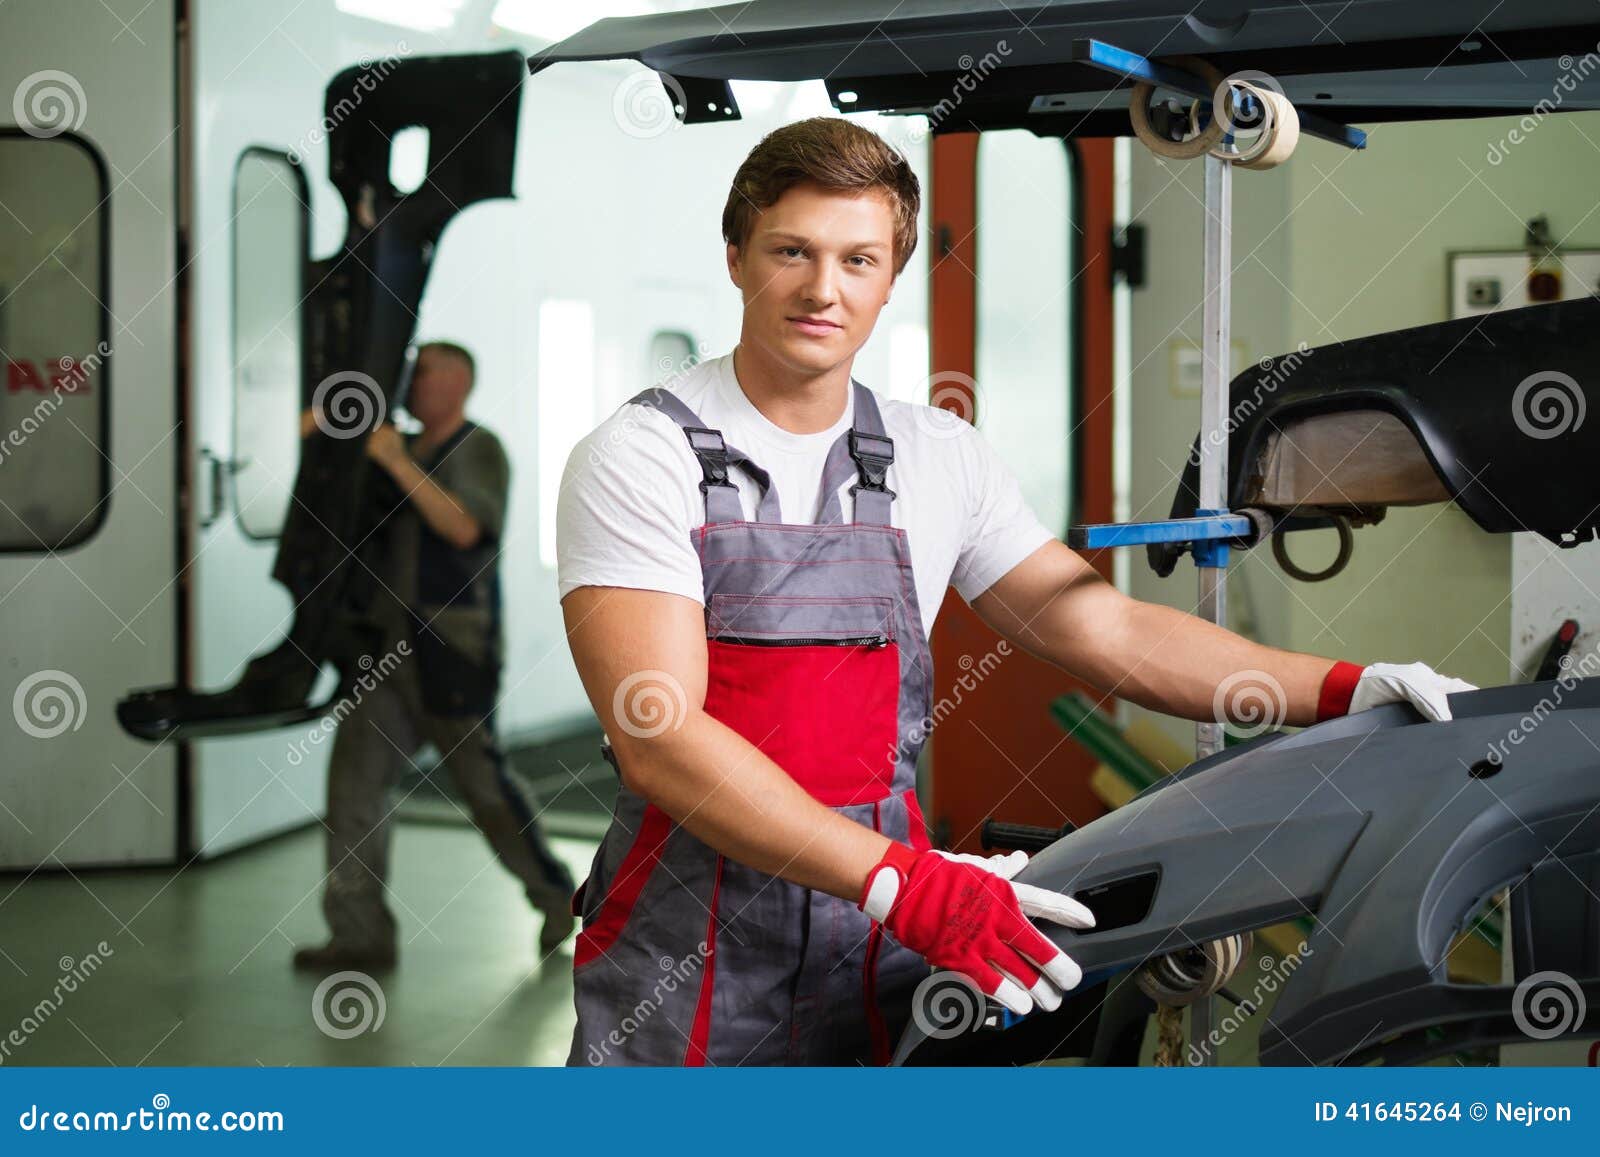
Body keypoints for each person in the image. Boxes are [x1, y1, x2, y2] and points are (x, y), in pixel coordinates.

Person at [554, 117, 1475, 1065]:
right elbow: (660, 738)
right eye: (793, 251)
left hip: (878, 942)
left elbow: (1102, 626)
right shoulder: (641, 456)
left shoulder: (935, 454)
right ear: (738, 255)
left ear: (892, 275)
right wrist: (904, 885)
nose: (824, 289)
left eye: (858, 260)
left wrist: (1345, 689)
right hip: (690, 955)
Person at [294, 341, 575, 972]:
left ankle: (555, 894)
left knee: (485, 792)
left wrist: (396, 461)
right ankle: (359, 935)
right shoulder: (396, 448)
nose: (411, 382)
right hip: (384, 658)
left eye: (423, 372)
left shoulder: (479, 448)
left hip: (452, 651)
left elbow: (464, 527)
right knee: (354, 793)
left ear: (457, 384)